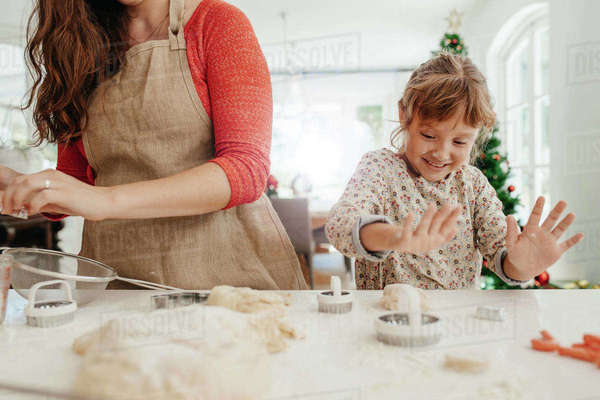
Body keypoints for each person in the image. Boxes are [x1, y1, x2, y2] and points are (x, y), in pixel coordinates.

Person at [0, 0, 307, 290]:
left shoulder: (217, 23)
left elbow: (245, 170)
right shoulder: (80, 47)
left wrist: (106, 200)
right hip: (119, 284)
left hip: (229, 284)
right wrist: (23, 188)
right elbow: (78, 183)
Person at [326, 53, 583, 290]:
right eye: (428, 135)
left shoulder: (473, 185)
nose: (441, 152)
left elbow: (502, 257)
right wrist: (395, 237)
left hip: (458, 327)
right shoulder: (380, 168)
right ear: (404, 115)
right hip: (385, 324)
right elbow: (340, 224)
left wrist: (522, 265)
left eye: (459, 142)